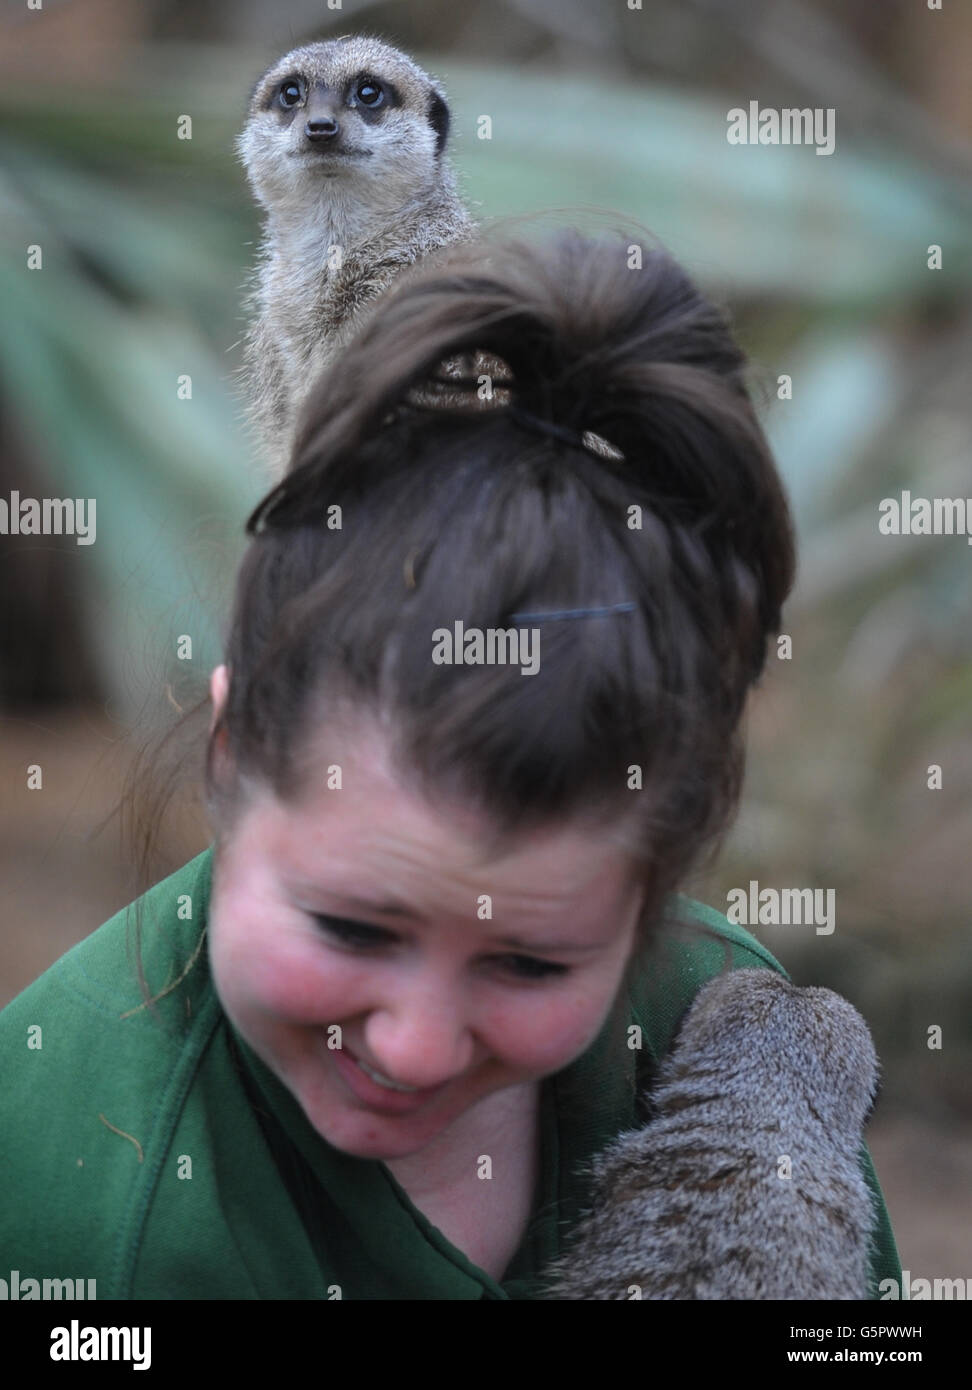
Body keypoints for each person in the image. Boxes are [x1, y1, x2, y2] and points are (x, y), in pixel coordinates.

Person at [0, 228, 900, 1300]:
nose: (417, 1048)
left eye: (531, 961)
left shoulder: (743, 1043)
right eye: (352, 926)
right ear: (231, 758)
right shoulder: (71, 1199)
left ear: (654, 891)